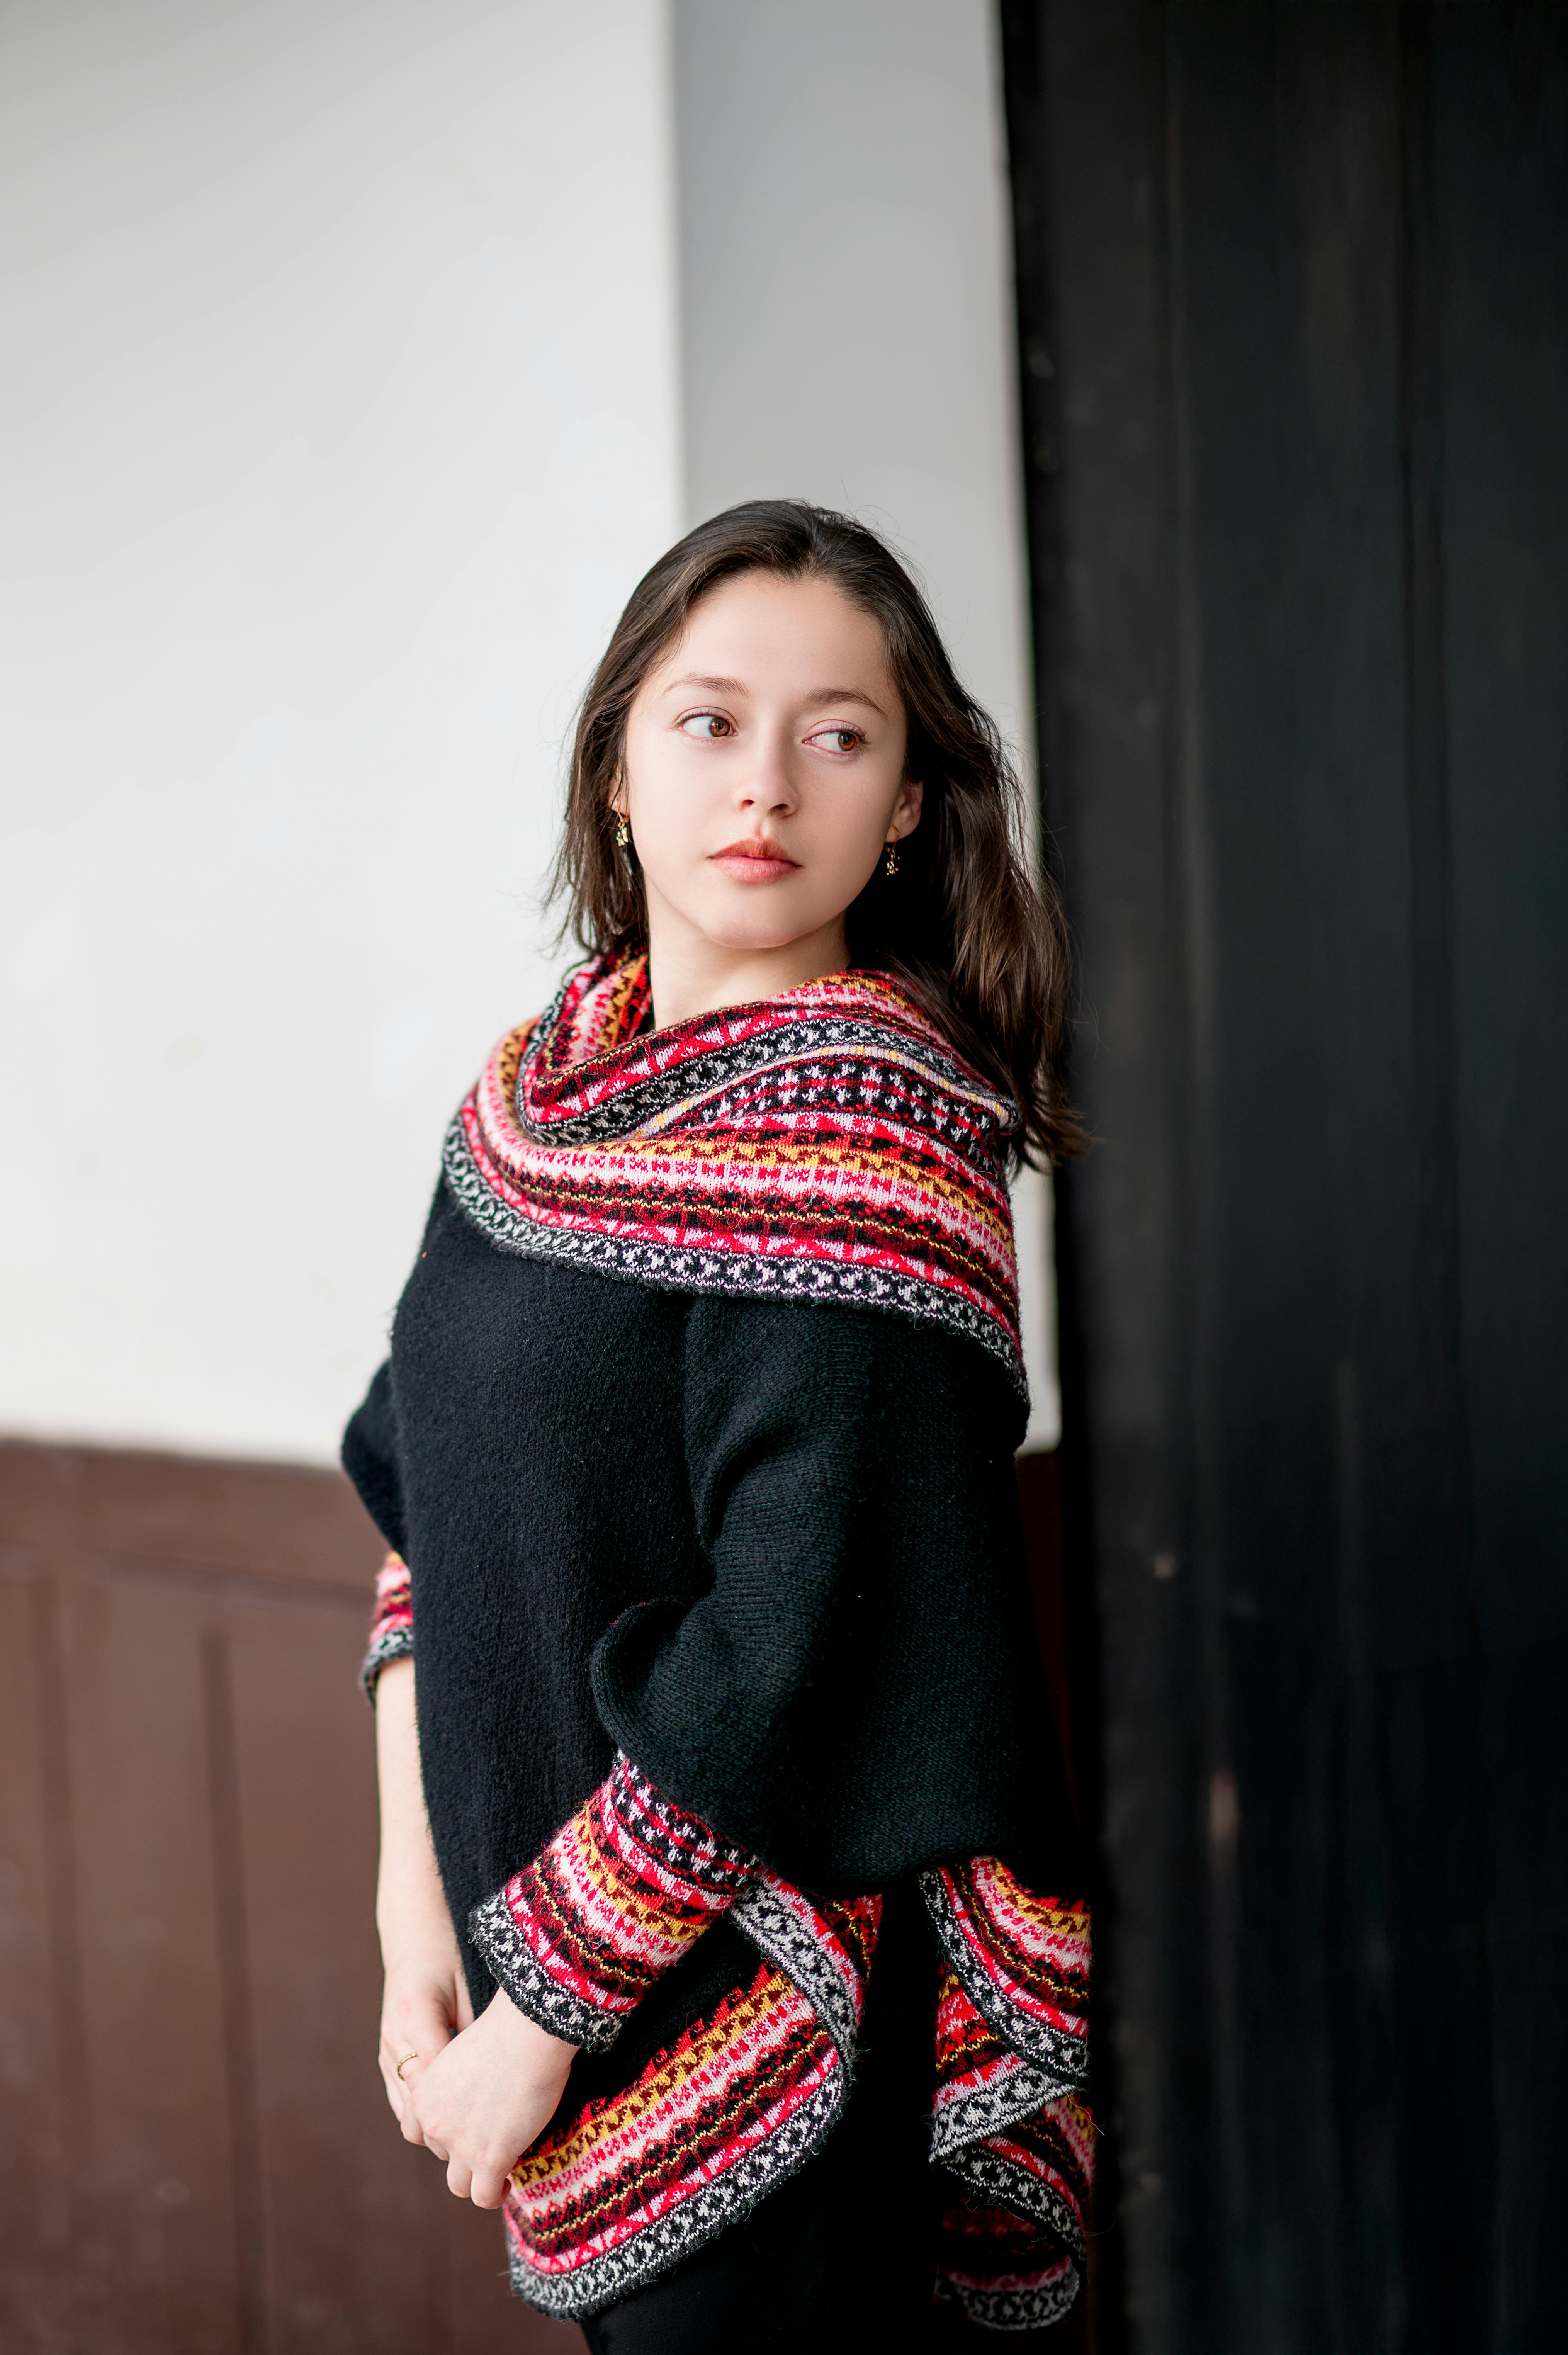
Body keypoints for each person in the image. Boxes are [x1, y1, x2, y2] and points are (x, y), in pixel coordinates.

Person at [342, 500, 1092, 2351]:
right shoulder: (531, 1105)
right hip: (541, 1964)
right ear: (616, 767)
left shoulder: (873, 1136)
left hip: (768, 2021)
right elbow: (424, 1502)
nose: (769, 782)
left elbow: (787, 1650)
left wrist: (539, 2022)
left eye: (840, 734)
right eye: (710, 721)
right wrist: (413, 1896)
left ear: (907, 801)